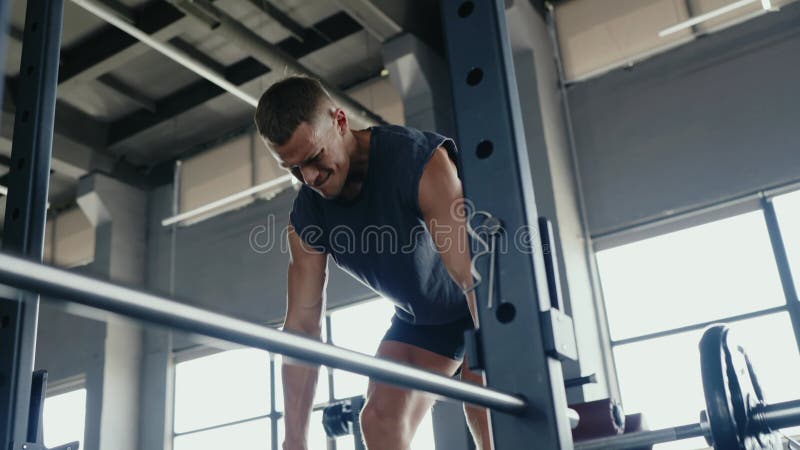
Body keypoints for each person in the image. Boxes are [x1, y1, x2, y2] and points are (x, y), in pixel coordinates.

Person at [254, 76, 491, 450]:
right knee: (379, 418)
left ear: (340, 122)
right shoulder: (308, 218)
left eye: (314, 158)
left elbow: (469, 274)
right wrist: (294, 441)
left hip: (481, 302)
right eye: (294, 169)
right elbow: (302, 329)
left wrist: (495, 362)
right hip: (423, 320)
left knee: (485, 402)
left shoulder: (419, 162)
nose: (309, 177)